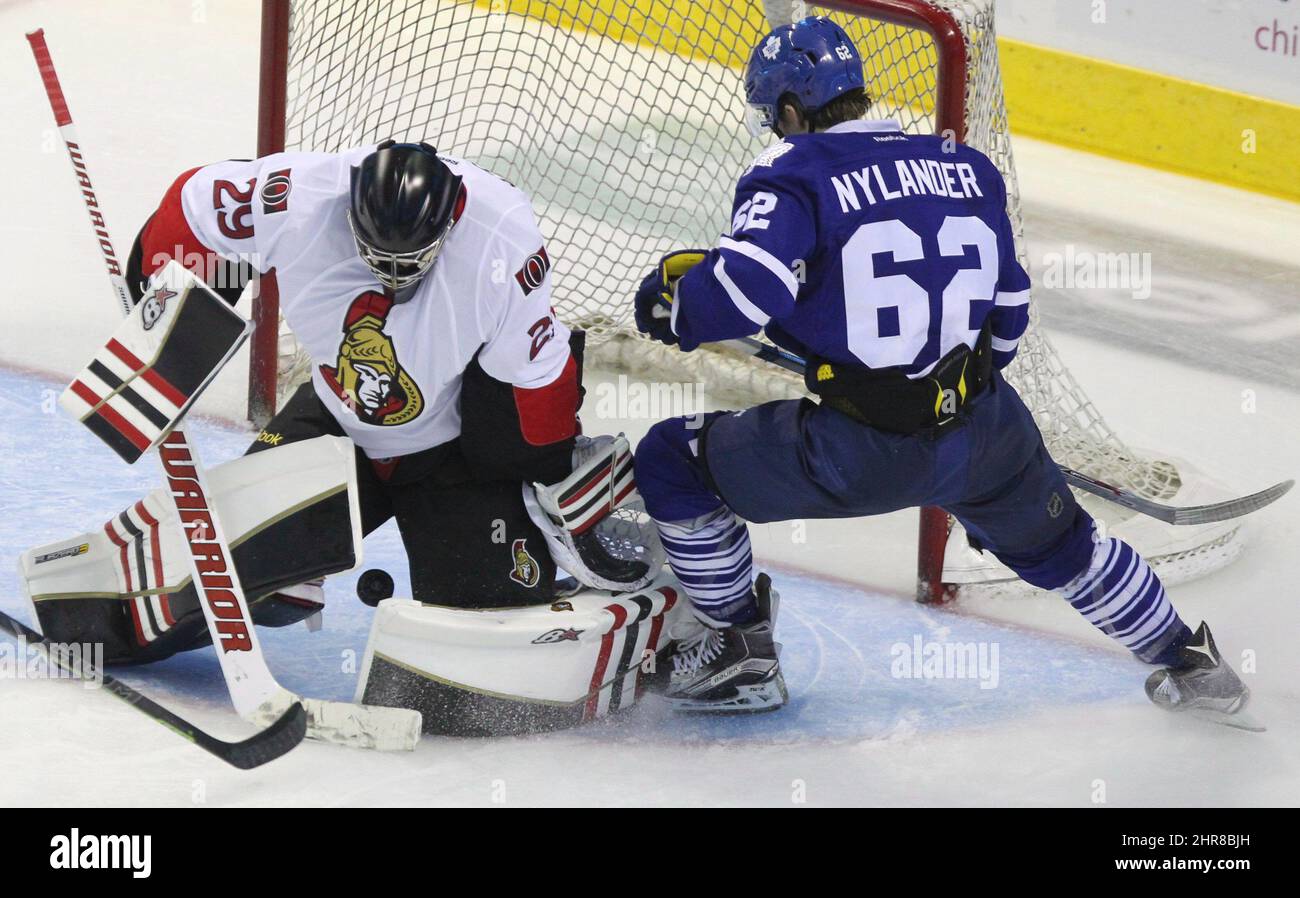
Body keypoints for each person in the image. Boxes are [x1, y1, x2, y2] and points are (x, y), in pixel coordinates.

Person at [630, 17, 1249, 721]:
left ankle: (738, 649)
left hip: (859, 453)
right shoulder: (965, 165)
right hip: (988, 433)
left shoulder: (792, 173)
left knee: (673, 460)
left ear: (794, 110)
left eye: (777, 116)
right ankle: (1190, 664)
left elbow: (740, 298)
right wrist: (949, 399)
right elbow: (1010, 308)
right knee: (1070, 548)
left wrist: (675, 308)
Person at [121, 140, 581, 646]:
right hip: (333, 420)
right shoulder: (302, 194)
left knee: (484, 631)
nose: (394, 273)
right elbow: (191, 207)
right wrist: (159, 316)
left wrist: (546, 477)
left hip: (456, 457)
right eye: (378, 254)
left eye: (411, 258)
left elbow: (537, 391)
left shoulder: (503, 238)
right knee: (234, 581)